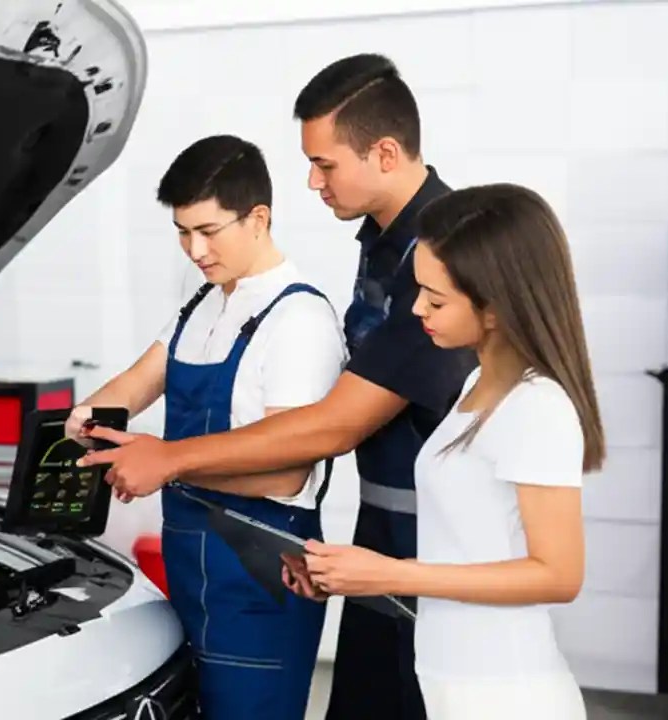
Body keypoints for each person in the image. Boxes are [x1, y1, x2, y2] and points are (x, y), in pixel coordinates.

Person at [80, 54, 477, 719]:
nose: (312, 181)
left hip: (434, 543)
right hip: (378, 532)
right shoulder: (380, 242)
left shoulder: (437, 252)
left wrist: (168, 460)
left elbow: (332, 429)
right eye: (184, 233)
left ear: (384, 152)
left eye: (324, 164)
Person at [66, 133, 346, 720]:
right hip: (189, 568)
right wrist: (86, 417)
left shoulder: (298, 319)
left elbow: (288, 470)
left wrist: (165, 461)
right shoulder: (199, 306)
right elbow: (139, 380)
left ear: (258, 219)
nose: (194, 249)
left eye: (208, 231)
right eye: (182, 232)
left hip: (260, 577)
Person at [296, 183, 601, 720]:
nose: (417, 310)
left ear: (495, 308)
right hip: (447, 679)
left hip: (505, 694)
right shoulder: (476, 386)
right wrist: (345, 574)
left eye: (435, 299)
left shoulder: (538, 406)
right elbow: (464, 550)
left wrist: (389, 573)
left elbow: (558, 575)